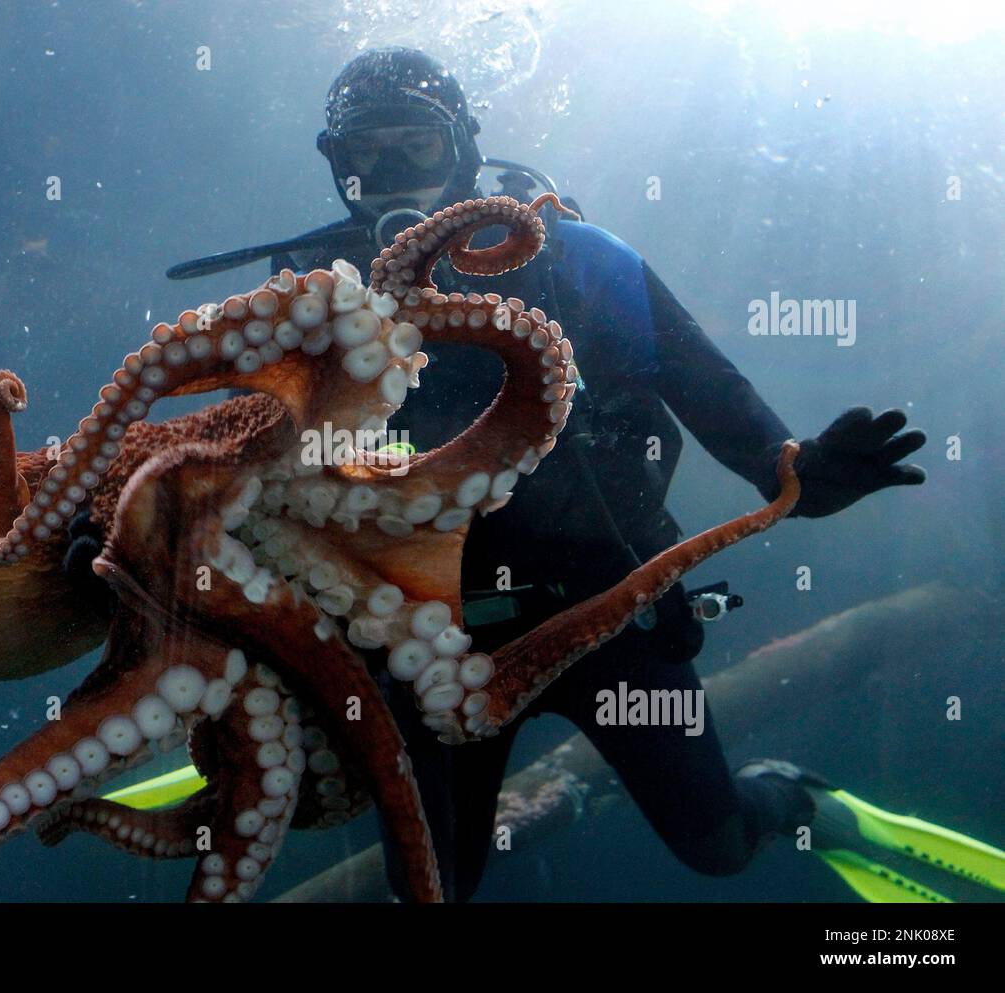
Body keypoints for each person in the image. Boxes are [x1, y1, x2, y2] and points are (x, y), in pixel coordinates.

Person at [275, 47, 998, 904]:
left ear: (464, 148)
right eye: (363, 157)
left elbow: (708, 389)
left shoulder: (580, 260)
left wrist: (793, 473)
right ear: (336, 165)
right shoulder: (308, 302)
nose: (389, 176)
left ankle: (790, 797)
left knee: (718, 843)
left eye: (416, 149)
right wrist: (140, 523)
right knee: (435, 886)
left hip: (609, 609)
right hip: (428, 641)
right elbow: (244, 460)